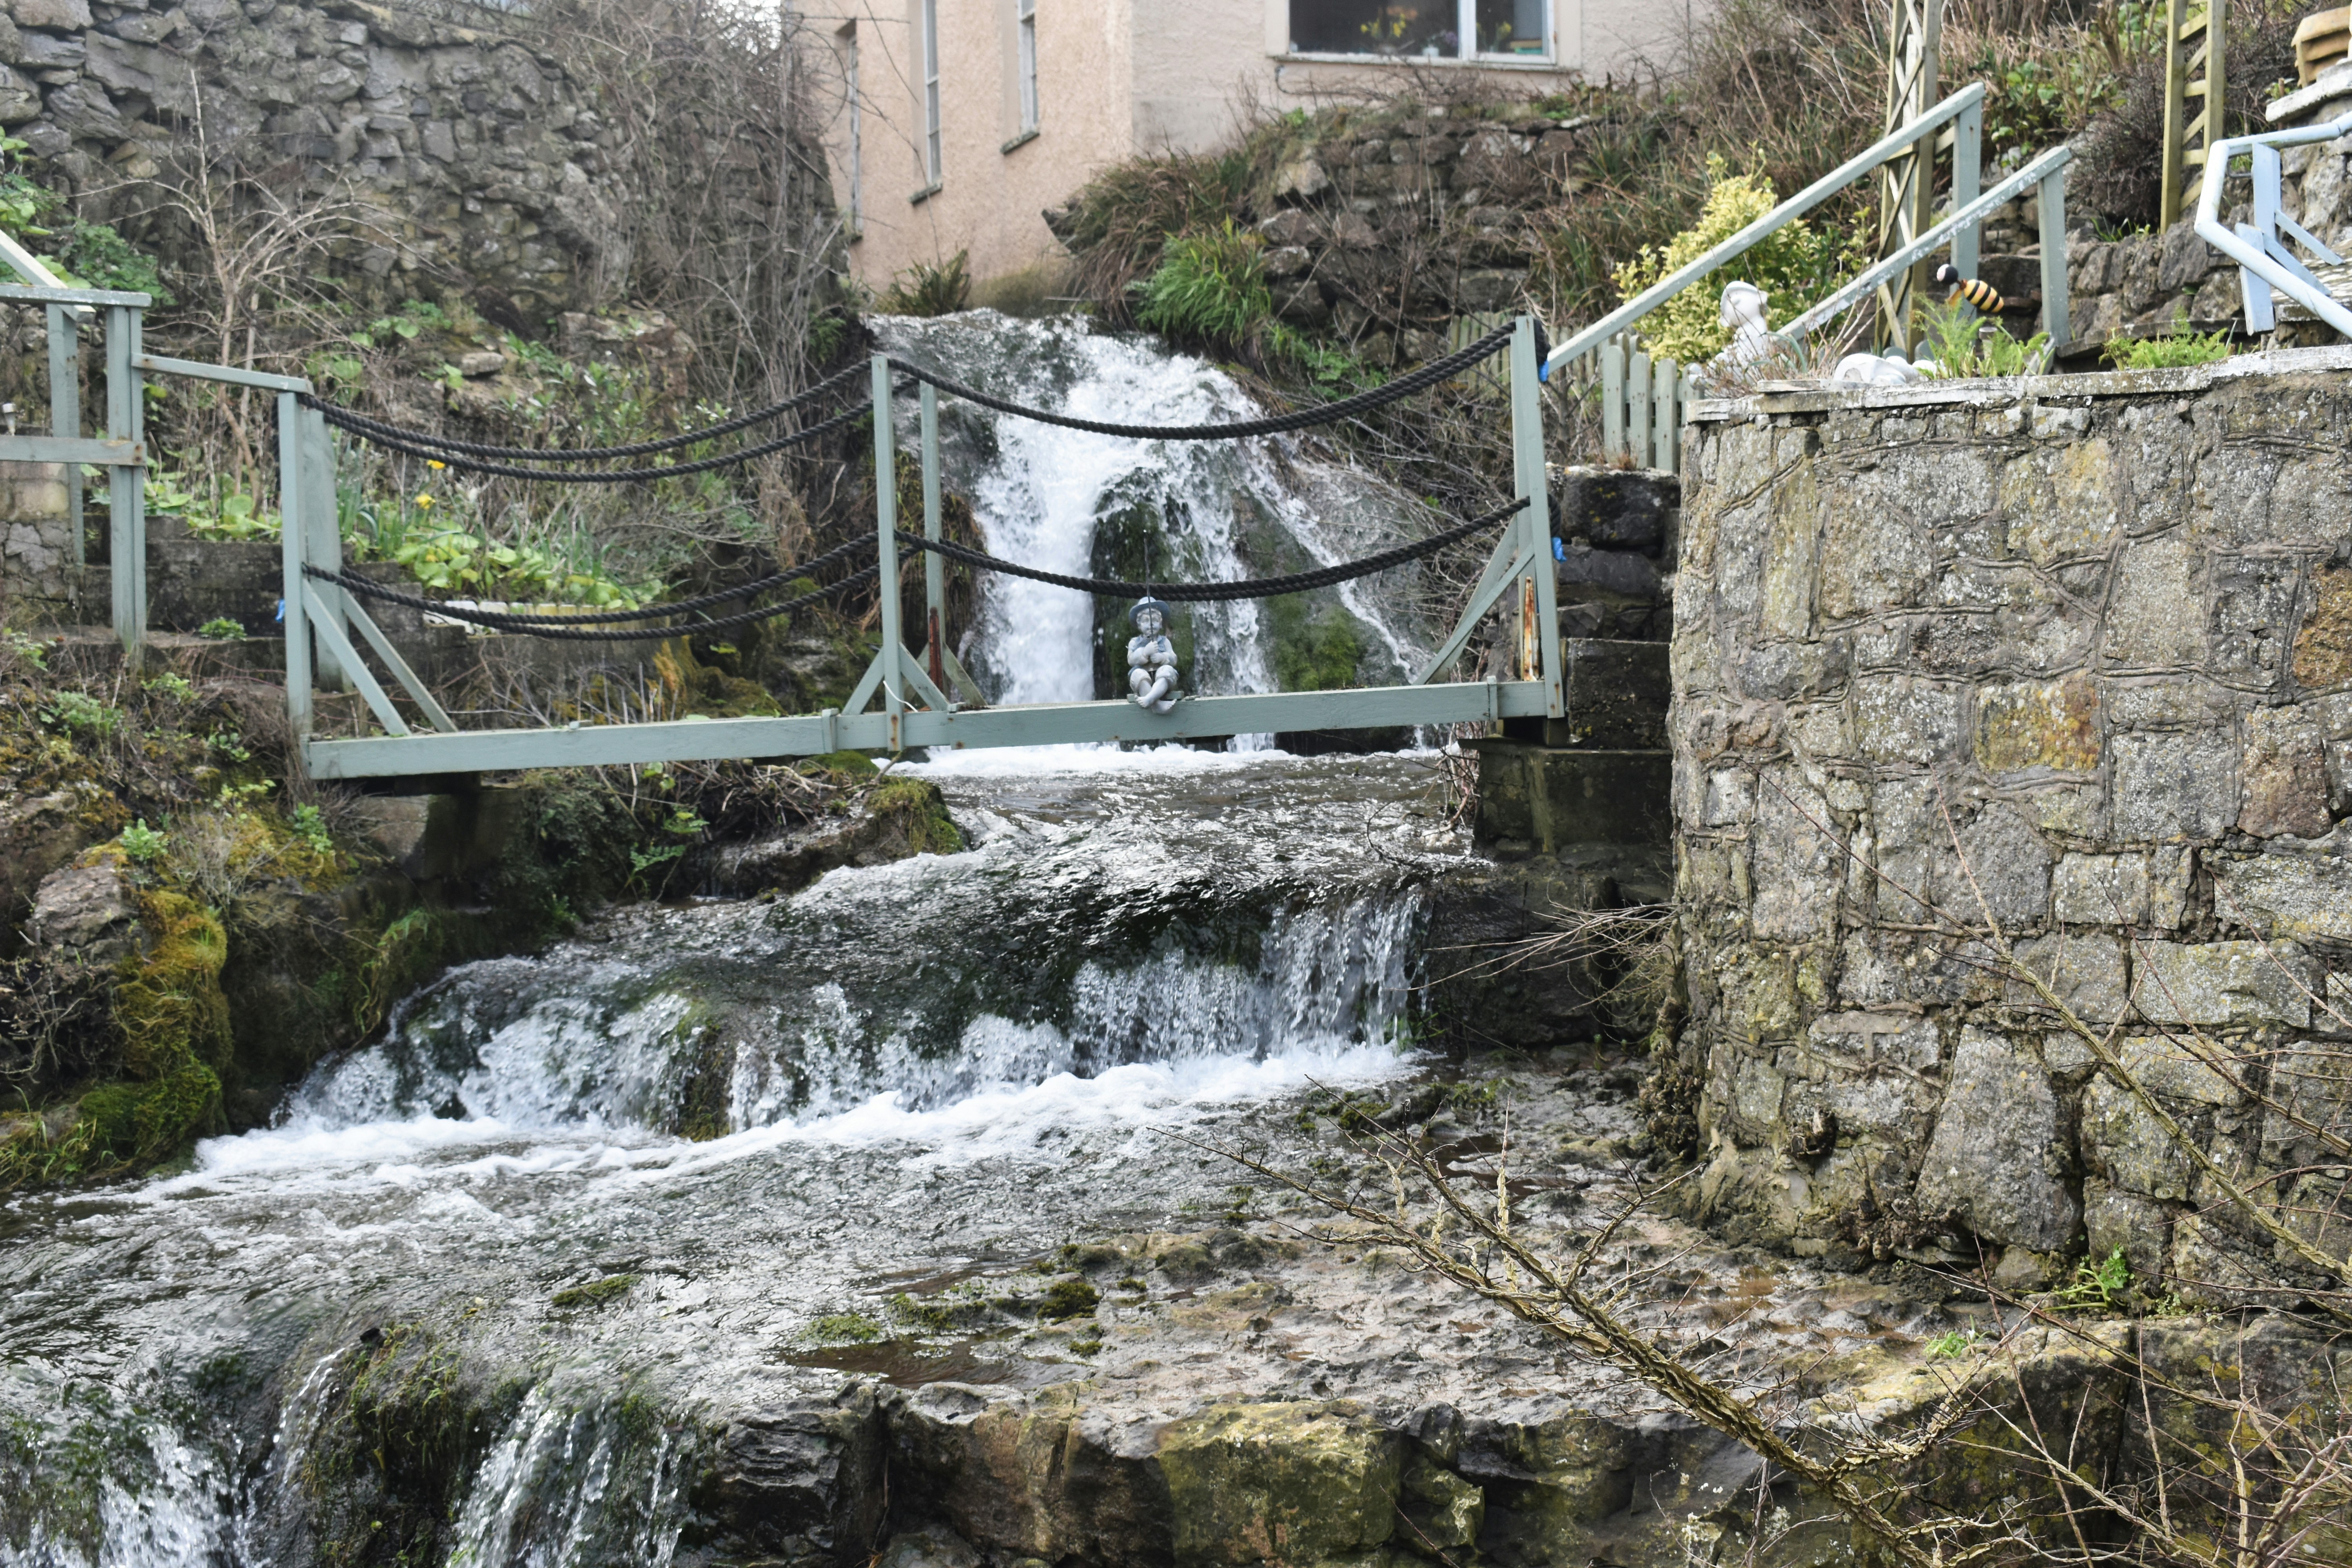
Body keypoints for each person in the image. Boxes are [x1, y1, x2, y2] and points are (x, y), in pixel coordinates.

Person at [1126, 597, 1180, 713]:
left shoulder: (1165, 642)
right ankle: (1157, 705)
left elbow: (1173, 658)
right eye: (1146, 621)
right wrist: (1145, 653)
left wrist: (1163, 657)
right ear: (1139, 625)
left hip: (1162, 680)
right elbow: (1131, 660)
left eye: (1155, 621)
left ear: (1161, 625)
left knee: (1167, 670)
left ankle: (1150, 699)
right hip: (1144, 678)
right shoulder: (1134, 643)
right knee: (1137, 674)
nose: (1151, 625)